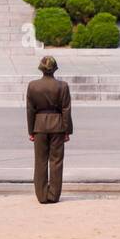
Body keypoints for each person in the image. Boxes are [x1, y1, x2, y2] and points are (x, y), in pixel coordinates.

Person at [26, 55, 72, 204]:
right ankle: (53, 195)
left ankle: (41, 195)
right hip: (58, 125)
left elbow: (30, 110)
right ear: (55, 69)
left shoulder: (33, 86)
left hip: (39, 125)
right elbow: (66, 109)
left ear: (41, 68)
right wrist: (67, 130)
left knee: (40, 161)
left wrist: (30, 131)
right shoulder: (62, 86)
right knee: (56, 161)